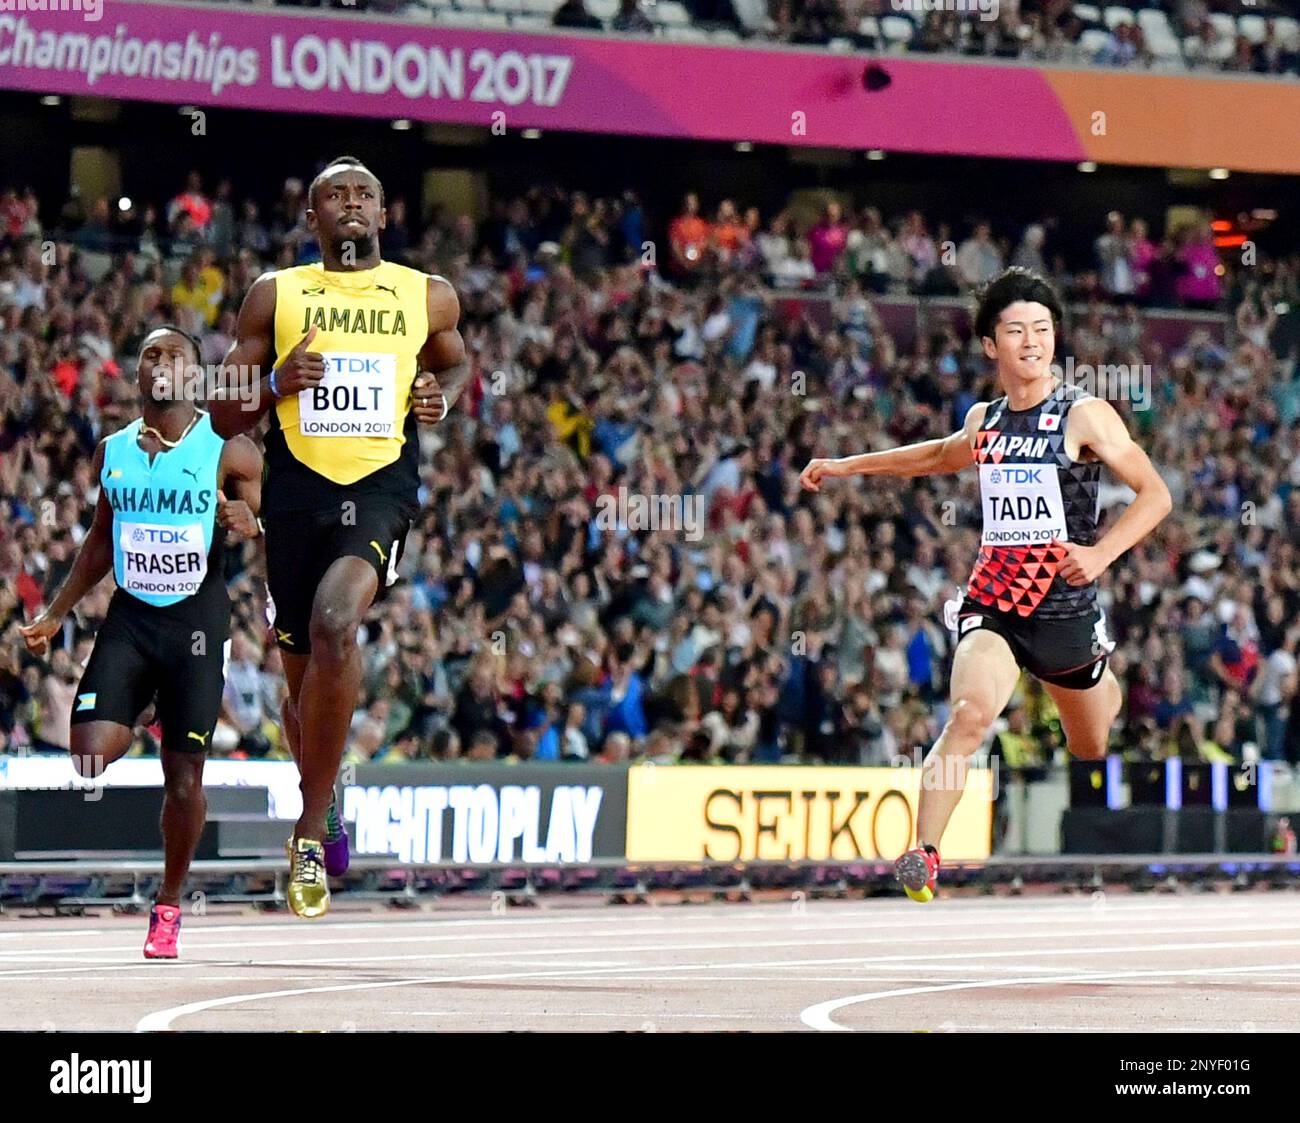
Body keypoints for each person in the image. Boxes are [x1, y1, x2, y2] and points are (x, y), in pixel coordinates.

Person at [799, 267, 1172, 901]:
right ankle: (924, 851)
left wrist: (1102, 554)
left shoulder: (1084, 414)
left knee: (1089, 744)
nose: (1033, 342)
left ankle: (1101, 679)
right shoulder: (986, 420)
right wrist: (844, 466)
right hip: (994, 597)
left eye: (1044, 329)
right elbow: (932, 455)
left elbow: (1155, 494)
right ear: (989, 345)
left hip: (1064, 608)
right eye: (1017, 331)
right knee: (970, 715)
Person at [209, 156, 470, 919]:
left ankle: (308, 832)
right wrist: (273, 385)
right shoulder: (276, 294)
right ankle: (328, 797)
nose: (351, 203)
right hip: (295, 499)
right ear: (313, 218)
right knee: (300, 698)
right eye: (335, 195)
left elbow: (457, 367)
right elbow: (222, 414)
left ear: (384, 217)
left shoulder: (426, 294)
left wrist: (439, 398)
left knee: (334, 626)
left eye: (366, 195)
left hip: (381, 489)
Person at [19, 326, 262, 958]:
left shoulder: (228, 450)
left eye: (173, 355)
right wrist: (54, 612)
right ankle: (146, 702)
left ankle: (169, 905)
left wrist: (248, 519)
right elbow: (100, 537)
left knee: (183, 778)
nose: (159, 363)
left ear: (194, 376)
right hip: (132, 613)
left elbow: (256, 511)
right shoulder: (112, 451)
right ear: (138, 375)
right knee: (91, 753)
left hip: (197, 624)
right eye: (149, 354)